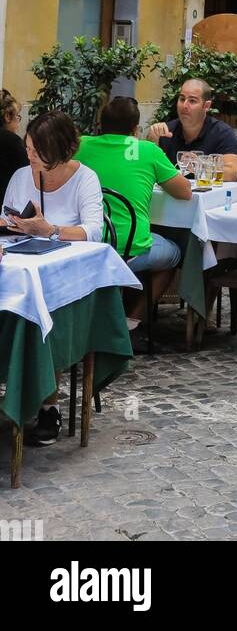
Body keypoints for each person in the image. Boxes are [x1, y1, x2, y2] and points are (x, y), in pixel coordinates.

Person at [1, 111, 104, 446]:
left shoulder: (84, 179)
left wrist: (52, 230)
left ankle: (49, 405)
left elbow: (94, 230)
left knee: (46, 313)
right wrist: (14, 224)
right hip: (23, 264)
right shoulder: (20, 176)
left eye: (37, 150)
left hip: (67, 279)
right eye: (29, 147)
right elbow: (5, 215)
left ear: (60, 149)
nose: (29, 155)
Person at [79, 97, 192, 340]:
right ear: (135, 129)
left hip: (89, 244)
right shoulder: (147, 150)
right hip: (130, 249)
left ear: (100, 125)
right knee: (174, 253)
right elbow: (185, 192)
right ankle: (133, 320)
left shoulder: (81, 145)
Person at [147, 79, 237, 180]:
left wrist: (200, 166)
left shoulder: (222, 133)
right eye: (182, 99)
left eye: (192, 101)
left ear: (206, 106)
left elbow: (232, 173)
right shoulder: (165, 132)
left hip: (210, 194)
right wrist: (152, 142)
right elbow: (146, 172)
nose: (185, 106)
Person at [0, 88, 28, 204]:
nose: (18, 121)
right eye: (17, 116)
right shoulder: (13, 142)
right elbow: (27, 173)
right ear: (7, 116)